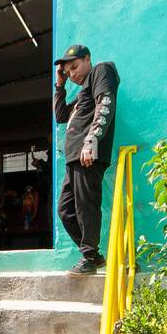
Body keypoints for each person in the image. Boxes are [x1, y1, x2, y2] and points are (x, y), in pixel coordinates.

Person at [53, 44, 119, 275]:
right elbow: (61, 116)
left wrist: (91, 140)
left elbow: (106, 104)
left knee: (85, 206)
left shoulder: (101, 71)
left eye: (75, 66)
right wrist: (60, 86)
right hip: (74, 159)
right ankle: (94, 256)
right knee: (65, 210)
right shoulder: (82, 97)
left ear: (88, 59)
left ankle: (89, 256)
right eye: (68, 71)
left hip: (87, 155)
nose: (72, 74)